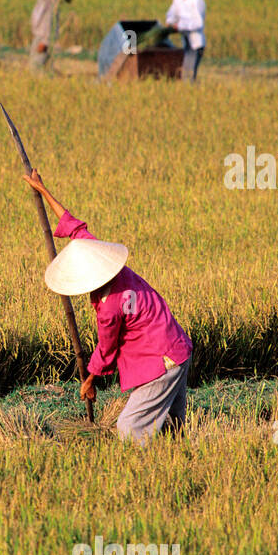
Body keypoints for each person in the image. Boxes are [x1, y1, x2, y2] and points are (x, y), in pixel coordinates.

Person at [23, 170, 193, 444]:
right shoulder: (106, 262)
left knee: (130, 428)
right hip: (178, 347)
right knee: (171, 430)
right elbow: (74, 227)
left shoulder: (109, 306)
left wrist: (90, 380)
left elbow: (106, 351)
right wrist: (42, 190)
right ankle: (176, 463)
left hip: (164, 360)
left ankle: (137, 474)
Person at [164, 0, 206, 82]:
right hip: (186, 41)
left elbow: (198, 23)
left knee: (189, 74)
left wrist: (180, 26)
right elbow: (172, 12)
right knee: (185, 74)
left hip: (195, 43)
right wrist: (170, 22)